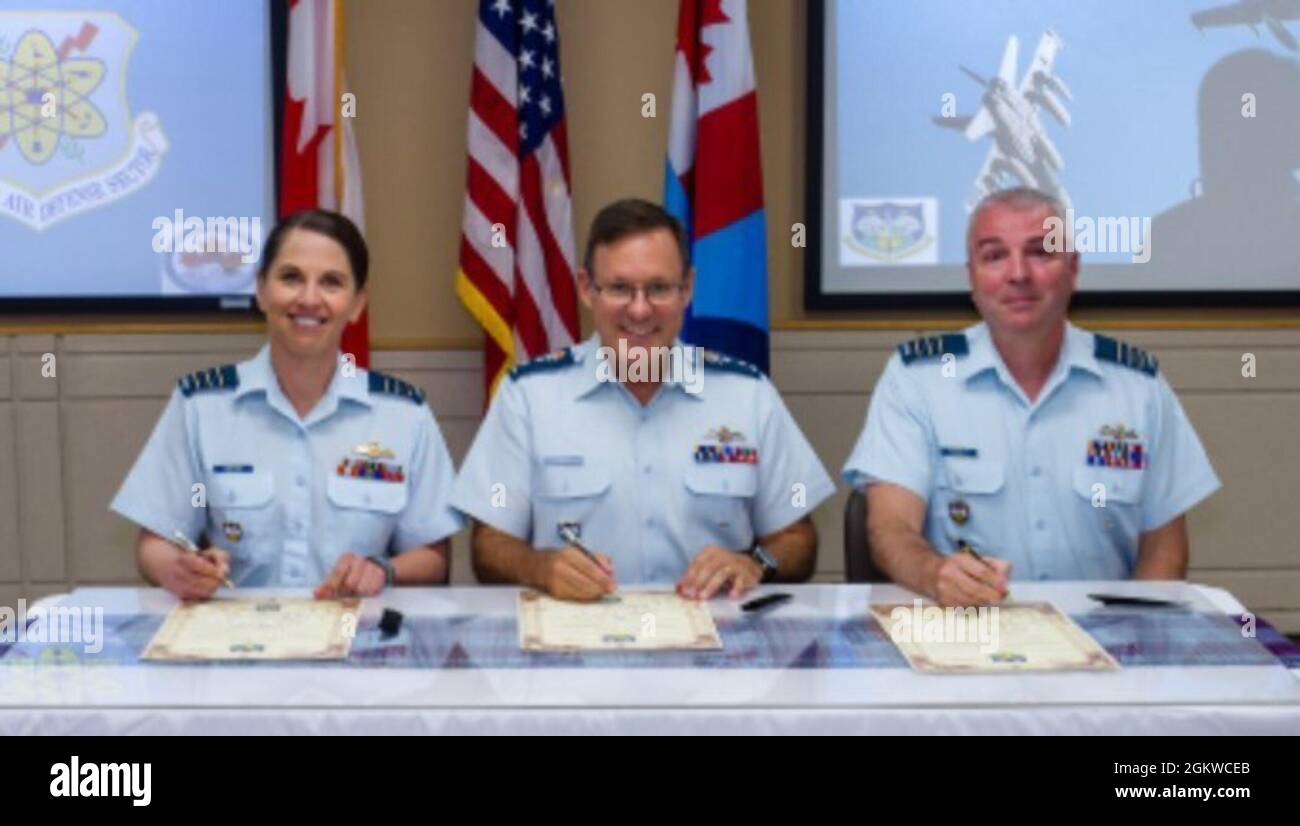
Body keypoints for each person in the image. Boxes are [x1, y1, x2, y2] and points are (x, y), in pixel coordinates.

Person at [843, 187, 1220, 606]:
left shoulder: (1137, 387)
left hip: (1105, 645)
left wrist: (1139, 640)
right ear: (972, 277)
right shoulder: (917, 380)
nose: (1018, 273)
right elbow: (890, 529)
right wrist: (935, 574)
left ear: (1073, 269)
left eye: (1040, 252)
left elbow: (1164, 548)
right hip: (965, 636)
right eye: (994, 255)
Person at [451, 198, 834, 601]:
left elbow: (797, 539)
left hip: (718, 644)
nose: (639, 309)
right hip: (573, 645)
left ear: (687, 289)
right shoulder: (528, 396)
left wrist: (755, 563)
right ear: (586, 289)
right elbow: (489, 546)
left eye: (658, 288)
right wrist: (541, 568)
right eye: (619, 288)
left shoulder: (747, 395)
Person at [111, 209, 462, 600]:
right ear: (261, 290)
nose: (309, 299)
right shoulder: (201, 407)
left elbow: (434, 554)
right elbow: (154, 541)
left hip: (358, 643)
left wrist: (383, 570)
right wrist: (179, 570)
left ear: (358, 303)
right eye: (291, 278)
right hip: (235, 646)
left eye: (331, 283)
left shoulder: (403, 414)